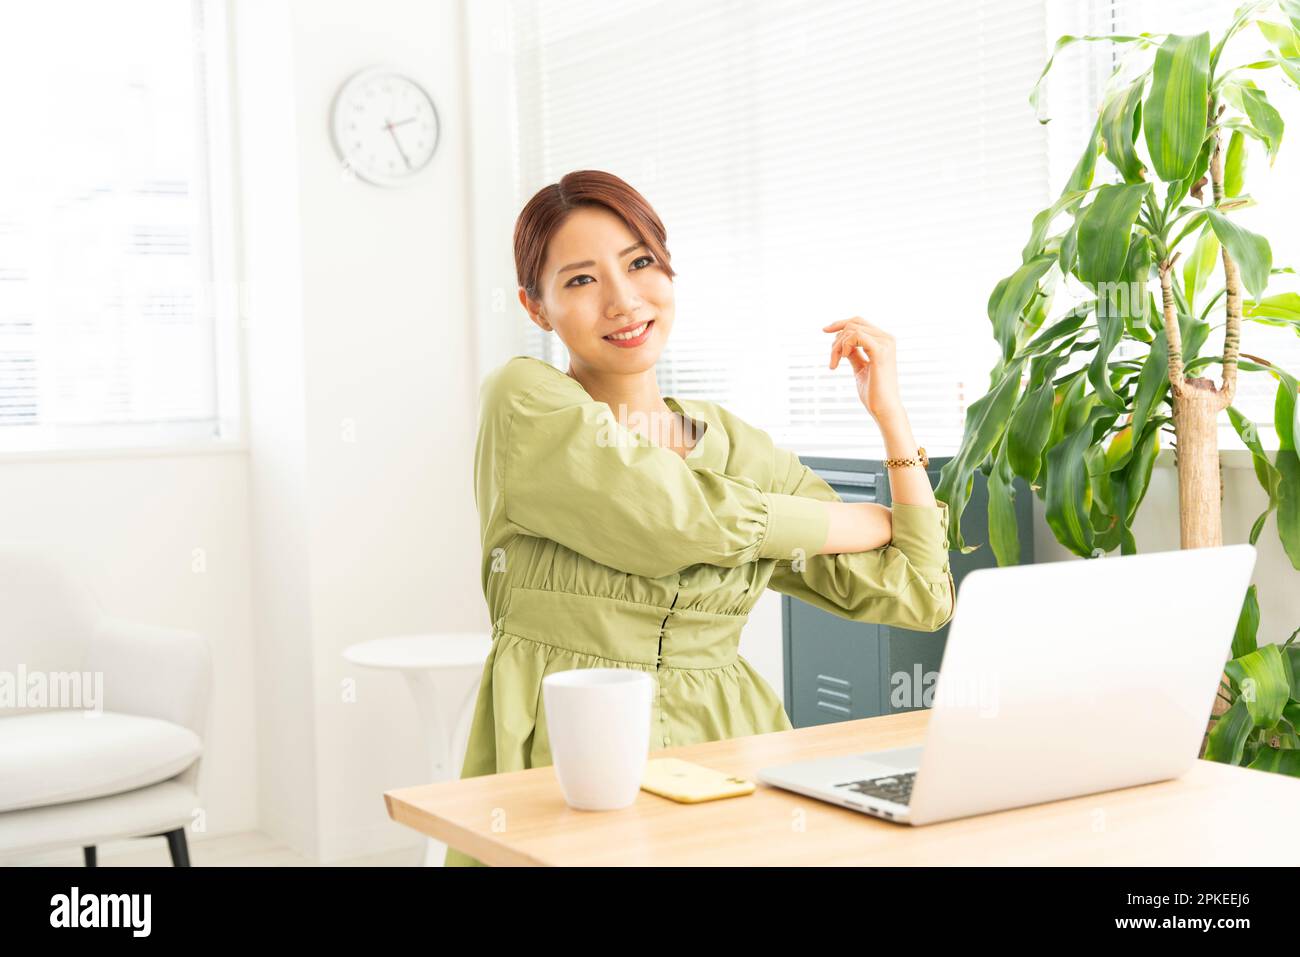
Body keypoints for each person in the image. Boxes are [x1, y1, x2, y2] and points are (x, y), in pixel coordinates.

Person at [444, 170, 954, 867]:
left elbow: (919, 594)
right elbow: (668, 521)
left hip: (729, 749)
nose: (623, 300)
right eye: (581, 280)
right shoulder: (524, 402)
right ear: (538, 309)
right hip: (568, 753)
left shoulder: (738, 445)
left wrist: (890, 418)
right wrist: (837, 522)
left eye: (639, 263)